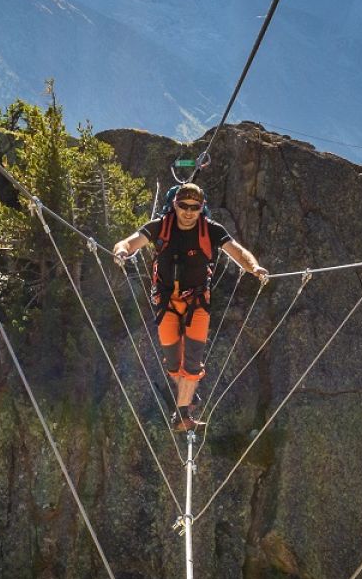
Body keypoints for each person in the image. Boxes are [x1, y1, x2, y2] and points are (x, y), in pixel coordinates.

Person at [112, 182, 266, 432]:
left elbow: (238, 253)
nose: (188, 211)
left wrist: (255, 268)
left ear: (201, 208)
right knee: (174, 363)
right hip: (166, 302)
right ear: (175, 205)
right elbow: (128, 243)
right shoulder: (161, 226)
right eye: (183, 205)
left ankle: (181, 414)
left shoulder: (211, 230)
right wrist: (121, 252)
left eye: (195, 207)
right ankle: (187, 393)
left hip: (197, 303)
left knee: (192, 362)